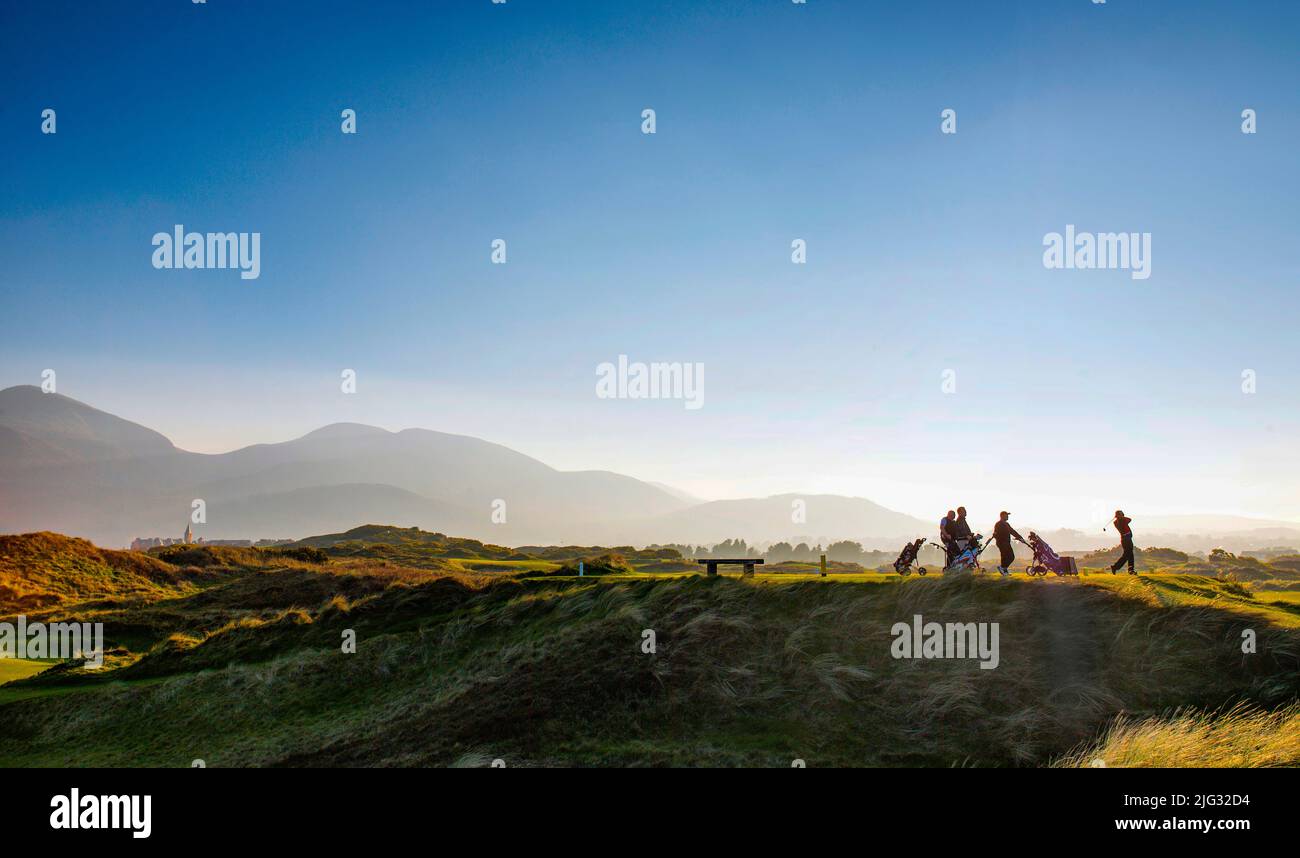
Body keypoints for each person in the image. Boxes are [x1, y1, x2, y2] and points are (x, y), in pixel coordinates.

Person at [991, 511, 1028, 577]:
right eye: (1006, 515)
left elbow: (1012, 531)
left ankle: (1003, 569)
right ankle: (1003, 569)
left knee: (1011, 557)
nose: (1007, 516)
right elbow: (995, 534)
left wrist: (1020, 538)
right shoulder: (998, 524)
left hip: (1007, 543)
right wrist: (999, 539)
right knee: (1005, 557)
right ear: (1002, 516)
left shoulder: (1006, 524)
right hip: (1002, 543)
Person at [1110, 510, 1136, 574]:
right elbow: (1129, 519)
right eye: (1121, 513)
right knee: (1127, 554)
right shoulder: (1122, 520)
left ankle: (1130, 569)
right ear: (1119, 515)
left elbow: (1128, 519)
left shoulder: (1116, 521)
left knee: (1129, 554)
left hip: (1125, 539)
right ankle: (1115, 567)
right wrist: (1121, 516)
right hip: (1126, 539)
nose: (1123, 514)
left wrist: (1119, 516)